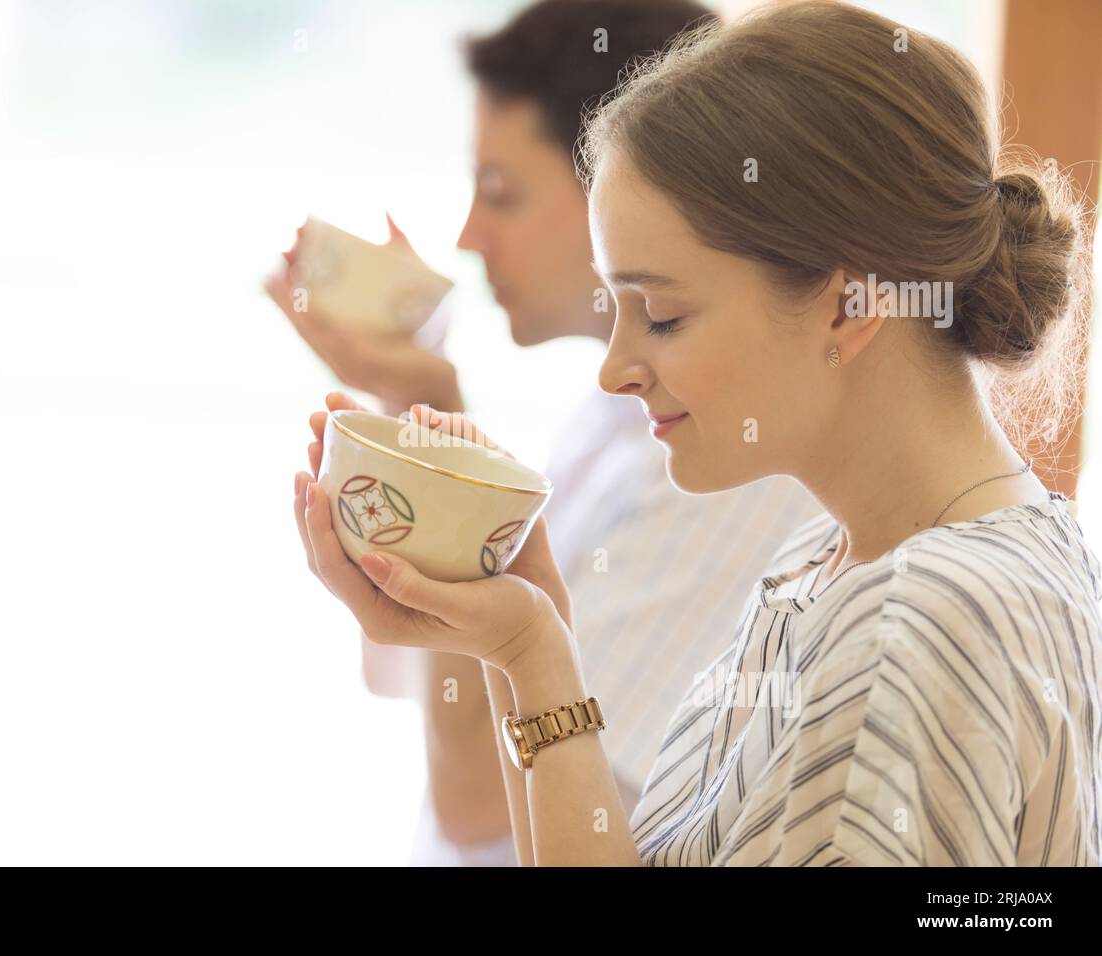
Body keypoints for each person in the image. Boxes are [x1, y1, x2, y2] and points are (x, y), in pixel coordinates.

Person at [292, 0, 1102, 866]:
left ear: (850, 303)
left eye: (665, 316)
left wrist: (529, 650)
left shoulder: (917, 623)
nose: (616, 370)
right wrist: (527, 647)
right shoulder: (834, 565)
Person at [272, 0, 820, 865]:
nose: (466, 236)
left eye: (501, 193)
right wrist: (409, 428)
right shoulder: (617, 410)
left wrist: (447, 489)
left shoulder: (729, 467)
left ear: (623, 187)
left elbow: (480, 806)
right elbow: (404, 667)